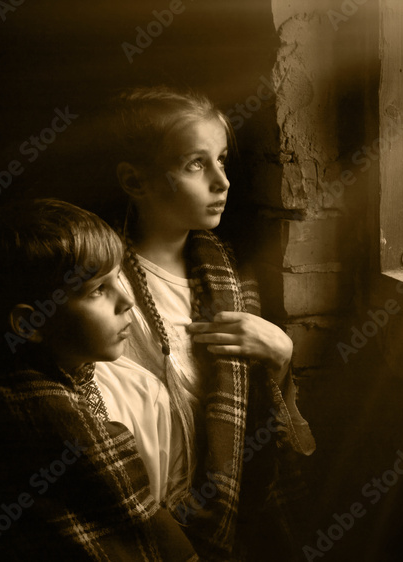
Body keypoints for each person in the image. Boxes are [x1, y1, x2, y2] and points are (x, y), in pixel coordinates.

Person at [91, 86, 315, 561]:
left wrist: (280, 358)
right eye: (196, 163)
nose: (222, 181)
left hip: (221, 522)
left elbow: (265, 422)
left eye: (222, 160)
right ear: (135, 180)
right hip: (134, 527)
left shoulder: (230, 279)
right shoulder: (97, 291)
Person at [0, 198, 199, 561]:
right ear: (30, 324)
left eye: (120, 278)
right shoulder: (37, 420)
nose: (126, 300)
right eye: (98, 290)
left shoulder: (141, 390)